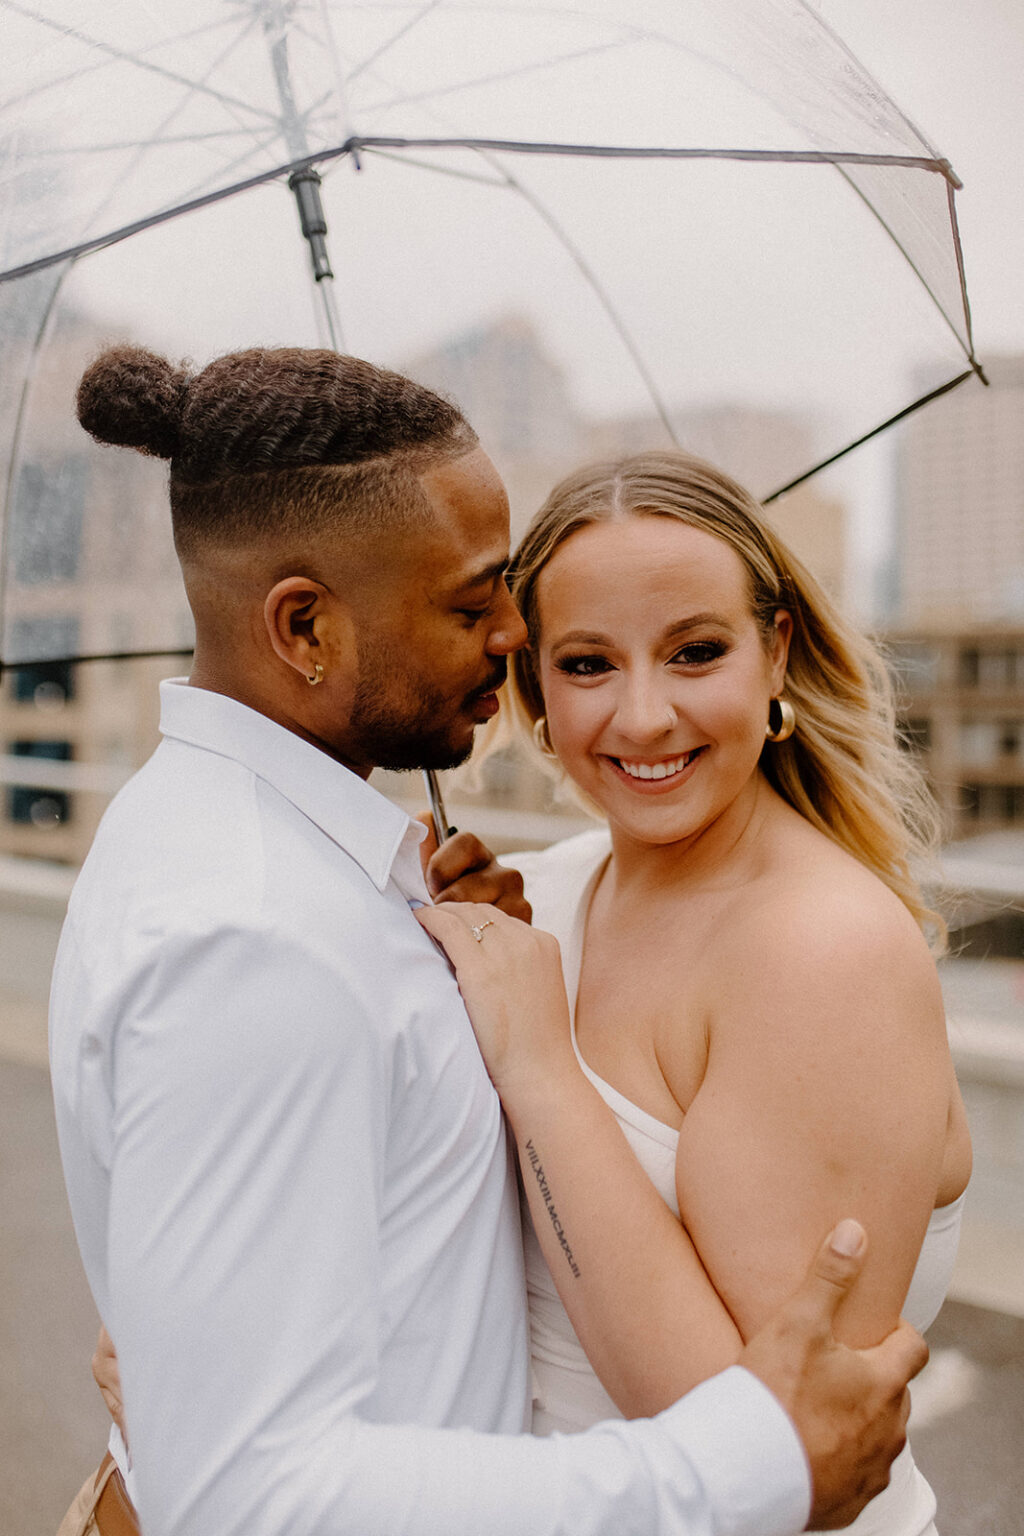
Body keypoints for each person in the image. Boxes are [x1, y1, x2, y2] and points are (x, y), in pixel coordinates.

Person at [51, 347, 926, 1536]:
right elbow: (250, 1489)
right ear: (304, 627)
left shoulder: (407, 892)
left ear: (775, 649)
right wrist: (194, 1367)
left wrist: (198, 1348)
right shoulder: (267, 931)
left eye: (695, 649)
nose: (512, 635)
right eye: (485, 612)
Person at [418, 451, 972, 1536]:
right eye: (587, 664)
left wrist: (540, 1070)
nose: (642, 717)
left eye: (695, 652)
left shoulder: (823, 953)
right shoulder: (551, 894)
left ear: (777, 652)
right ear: (534, 691)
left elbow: (762, 1452)